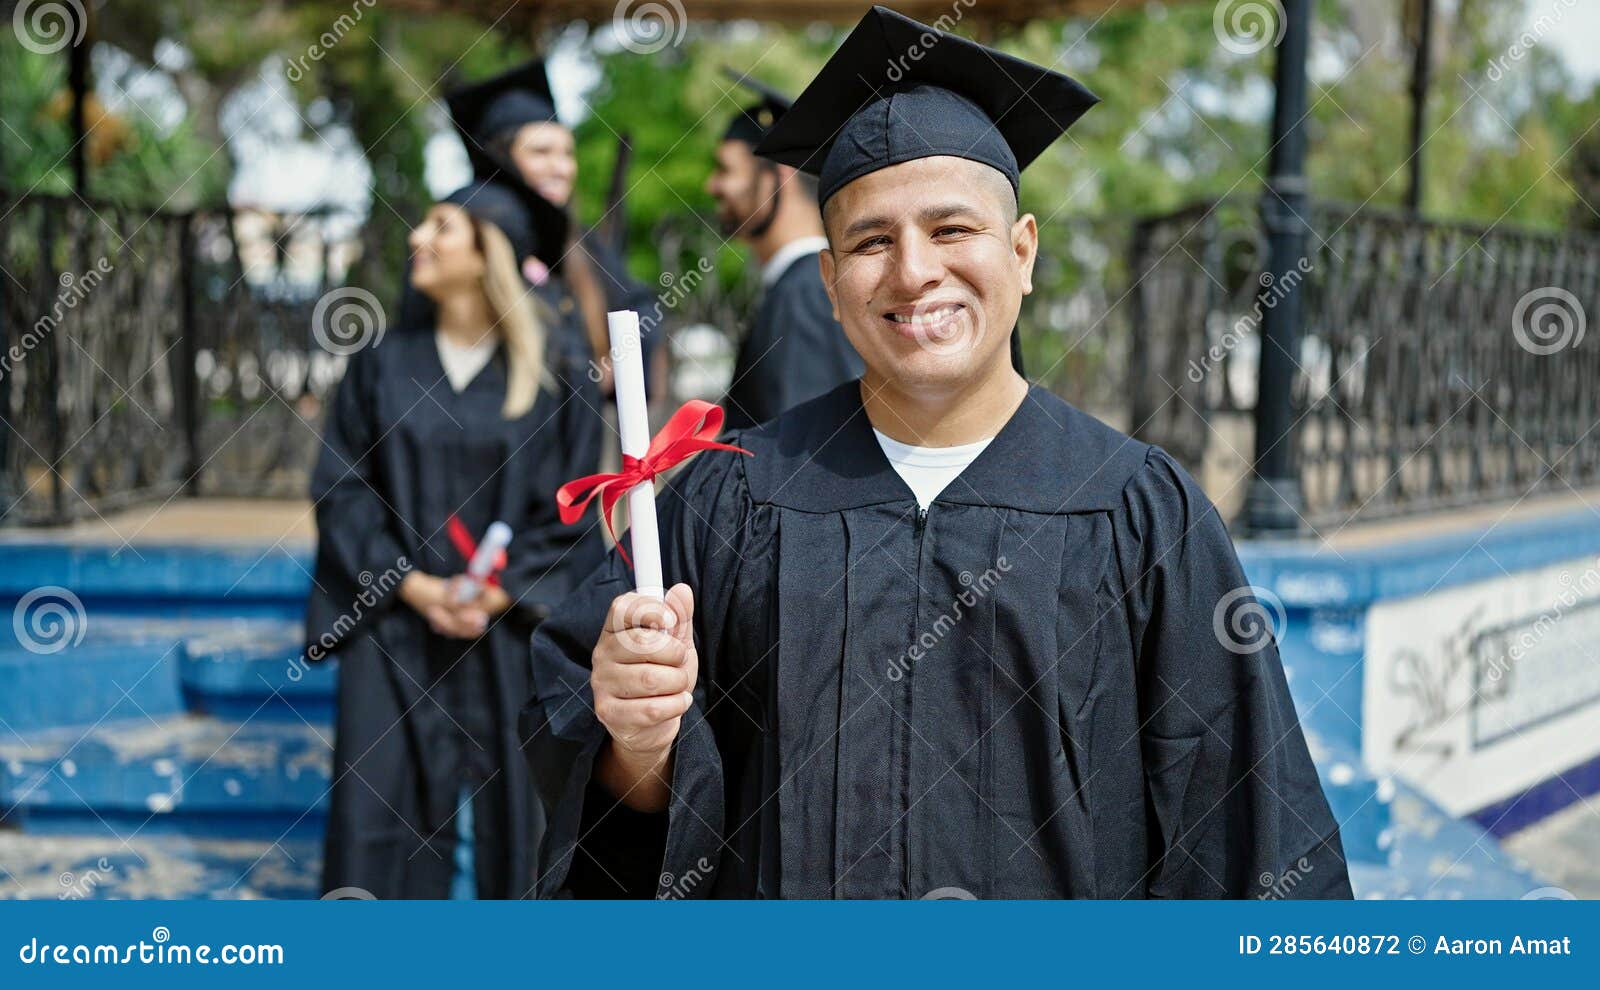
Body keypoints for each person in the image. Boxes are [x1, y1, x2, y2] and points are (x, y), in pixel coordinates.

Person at [520, 6, 1351, 900]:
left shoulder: (1140, 513)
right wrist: (636, 745)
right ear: (833, 284)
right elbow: (615, 815)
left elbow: (1242, 829)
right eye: (872, 241)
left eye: (952, 230)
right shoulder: (728, 500)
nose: (914, 271)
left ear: (1023, 251)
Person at [310, 177, 604, 899]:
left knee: (524, 822)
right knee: (379, 822)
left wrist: (498, 590)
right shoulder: (380, 364)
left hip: (509, 633)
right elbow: (343, 490)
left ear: (487, 252)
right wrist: (413, 586)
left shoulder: (555, 372)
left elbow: (573, 508)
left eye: (440, 226)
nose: (418, 238)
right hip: (396, 632)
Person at [445, 59, 657, 388]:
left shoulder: (588, 247)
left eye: (567, 154)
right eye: (541, 152)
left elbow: (638, 307)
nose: (561, 168)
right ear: (500, 158)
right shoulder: (468, 241)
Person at [707, 69, 862, 429]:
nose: (712, 185)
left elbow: (802, 457)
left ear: (778, 177)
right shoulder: (799, 286)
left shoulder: (806, 294)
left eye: (725, 169)